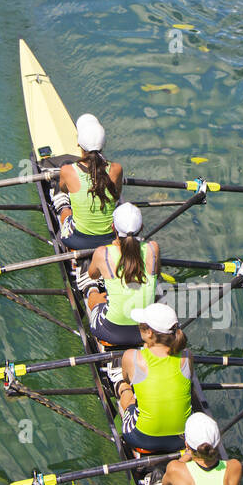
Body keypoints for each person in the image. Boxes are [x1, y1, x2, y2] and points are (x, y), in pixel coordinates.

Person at [116, 302, 190, 453]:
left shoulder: (132, 356)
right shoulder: (187, 356)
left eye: (141, 324)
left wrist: (125, 386)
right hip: (183, 438)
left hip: (143, 438)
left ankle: (122, 392)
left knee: (124, 387)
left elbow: (127, 379)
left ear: (149, 332)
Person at [84, 202, 159, 348]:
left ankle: (90, 290)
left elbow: (92, 275)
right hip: (146, 332)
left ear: (113, 228)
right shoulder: (153, 249)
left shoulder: (103, 253)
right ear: (142, 228)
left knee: (95, 298)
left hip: (111, 331)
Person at [54, 113, 123, 252]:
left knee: (65, 210)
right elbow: (117, 196)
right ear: (104, 144)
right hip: (110, 238)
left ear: (78, 143)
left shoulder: (67, 170)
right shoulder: (116, 169)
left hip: (79, 240)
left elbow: (64, 189)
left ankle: (72, 252)